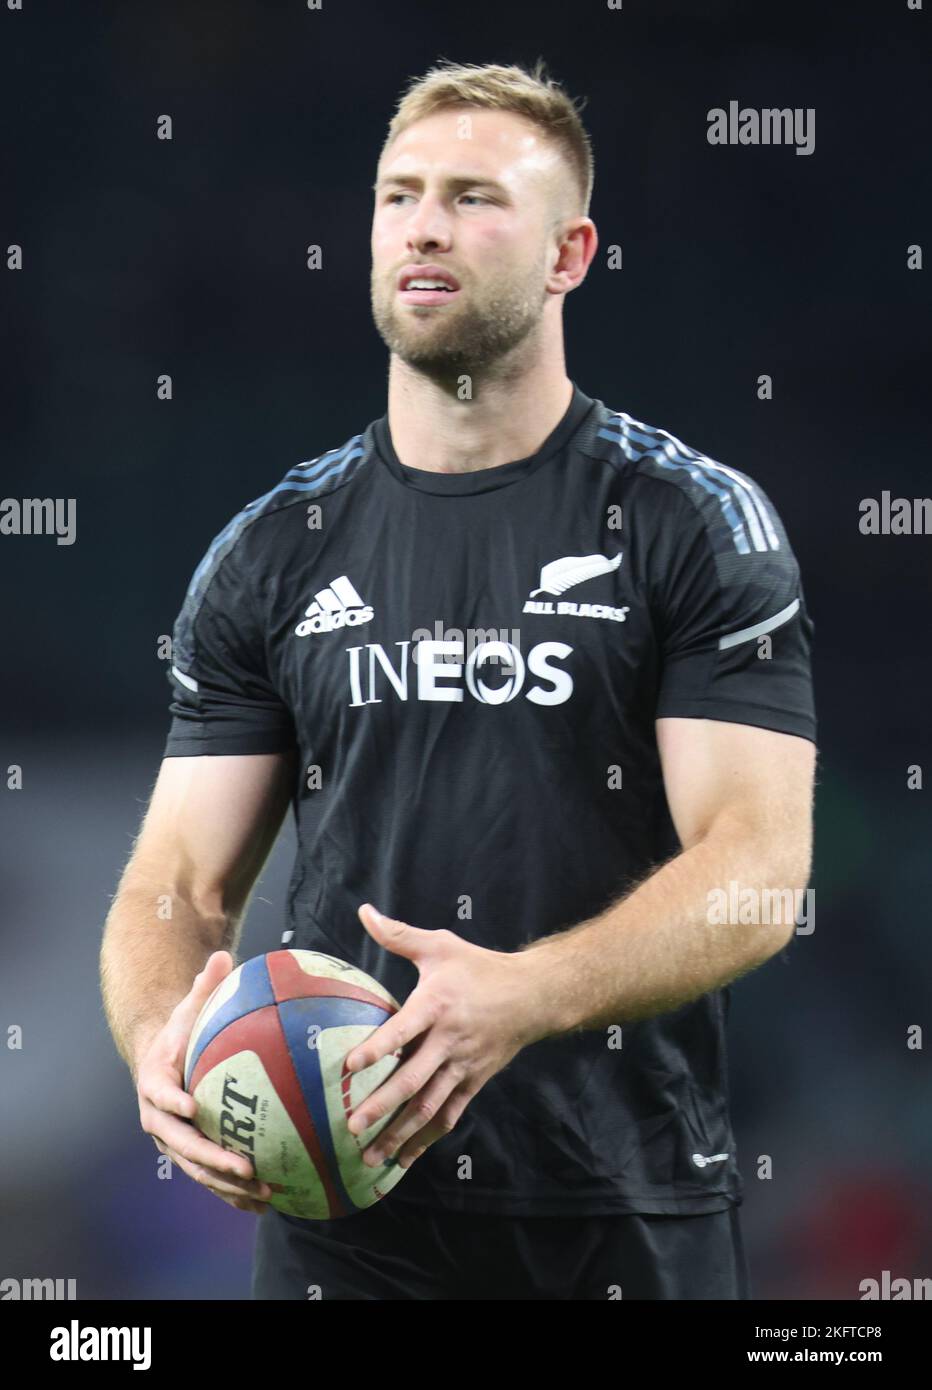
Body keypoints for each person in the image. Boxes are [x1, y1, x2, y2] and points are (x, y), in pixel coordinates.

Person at [100, 58, 816, 1301]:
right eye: (398, 195)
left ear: (568, 254)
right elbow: (175, 882)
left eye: (475, 197)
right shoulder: (271, 551)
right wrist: (161, 1040)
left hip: (624, 1209)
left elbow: (756, 875)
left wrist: (524, 996)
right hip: (346, 1223)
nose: (423, 224)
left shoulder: (687, 522)